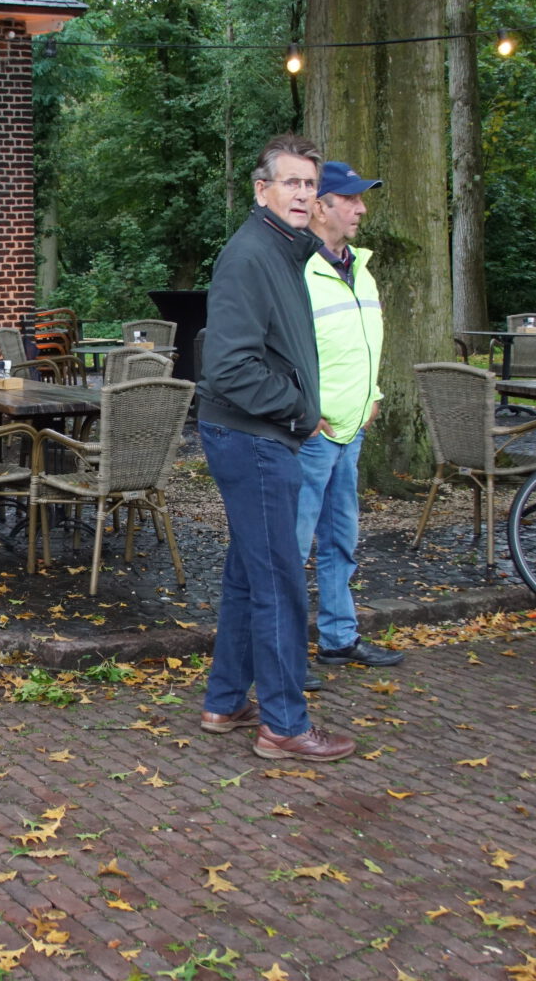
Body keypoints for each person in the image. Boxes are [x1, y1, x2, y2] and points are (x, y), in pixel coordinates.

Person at [196, 134, 355, 762]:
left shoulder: (286, 253)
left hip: (260, 437)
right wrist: (300, 408)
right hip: (254, 439)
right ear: (263, 190)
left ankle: (226, 699)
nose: (303, 194)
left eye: (310, 184)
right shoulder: (251, 255)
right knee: (280, 581)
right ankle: (285, 724)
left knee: (247, 573)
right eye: (291, 182)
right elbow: (228, 366)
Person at [298, 161, 405, 670]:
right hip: (311, 434)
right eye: (351, 199)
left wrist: (373, 395)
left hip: (351, 430)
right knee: (292, 550)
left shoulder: (360, 266)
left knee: (342, 540)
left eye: (363, 199)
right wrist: (305, 412)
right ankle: (284, 657)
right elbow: (279, 352)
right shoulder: (297, 270)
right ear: (321, 206)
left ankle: (339, 637)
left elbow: (362, 344)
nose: (361, 209)